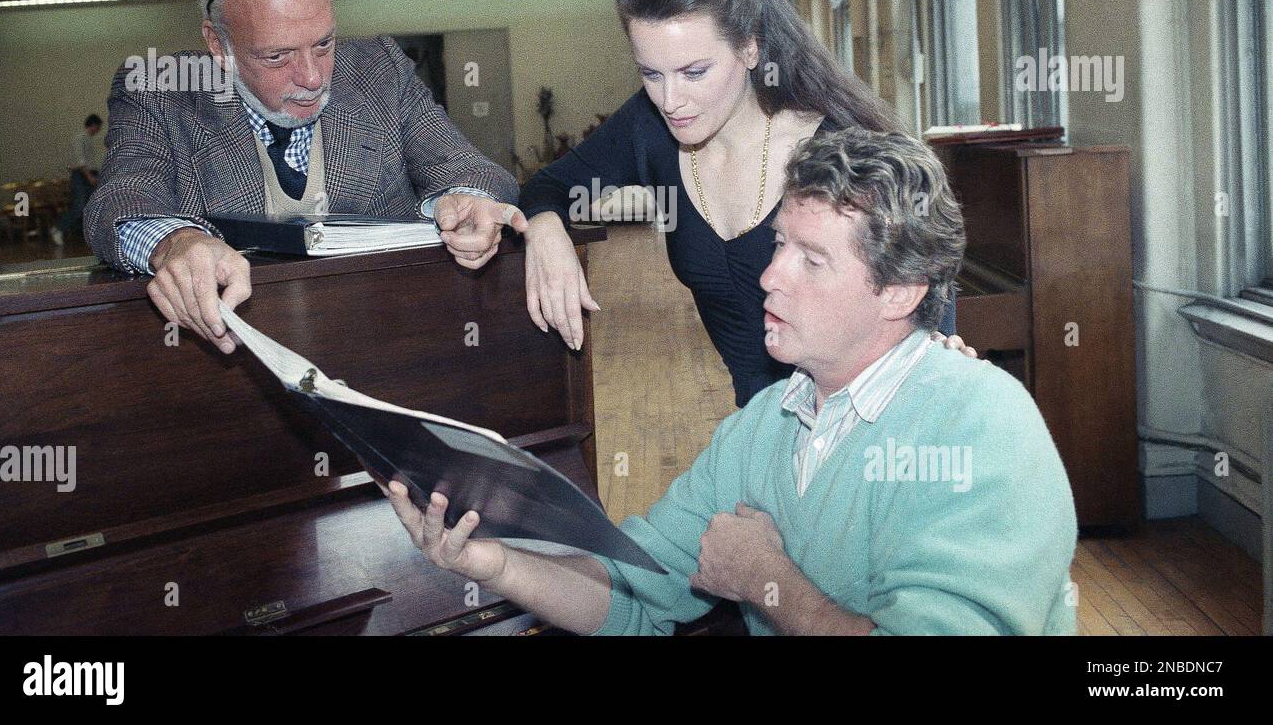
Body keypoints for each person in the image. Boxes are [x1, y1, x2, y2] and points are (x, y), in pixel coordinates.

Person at [384, 127, 1078, 635]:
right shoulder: (766, 422)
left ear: (900, 292)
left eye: (812, 261)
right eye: (779, 244)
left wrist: (767, 581)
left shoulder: (981, 422)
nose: (770, 276)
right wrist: (495, 564)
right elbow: (632, 592)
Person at [512, 0, 969, 408]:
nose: (671, 100)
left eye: (694, 72)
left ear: (750, 48)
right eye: (651, 74)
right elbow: (550, 185)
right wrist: (546, 234)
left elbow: (926, 306)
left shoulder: (842, 151)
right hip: (758, 436)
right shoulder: (648, 129)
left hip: (859, 428)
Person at [85, 0, 523, 353]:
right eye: (277, 56)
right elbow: (122, 199)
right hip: (245, 363)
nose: (312, 78)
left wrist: (467, 198)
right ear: (219, 44)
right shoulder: (161, 90)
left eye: (323, 44)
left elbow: (469, 168)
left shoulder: (380, 71)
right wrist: (175, 243)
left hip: (392, 345)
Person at [51, 113, 103, 245]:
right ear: (93, 125)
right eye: (98, 127)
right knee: (79, 206)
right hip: (81, 176)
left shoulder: (89, 140)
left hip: (89, 174)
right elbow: (80, 161)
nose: (99, 130)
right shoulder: (79, 139)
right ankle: (58, 228)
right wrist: (89, 176)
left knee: (92, 206)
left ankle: (93, 235)